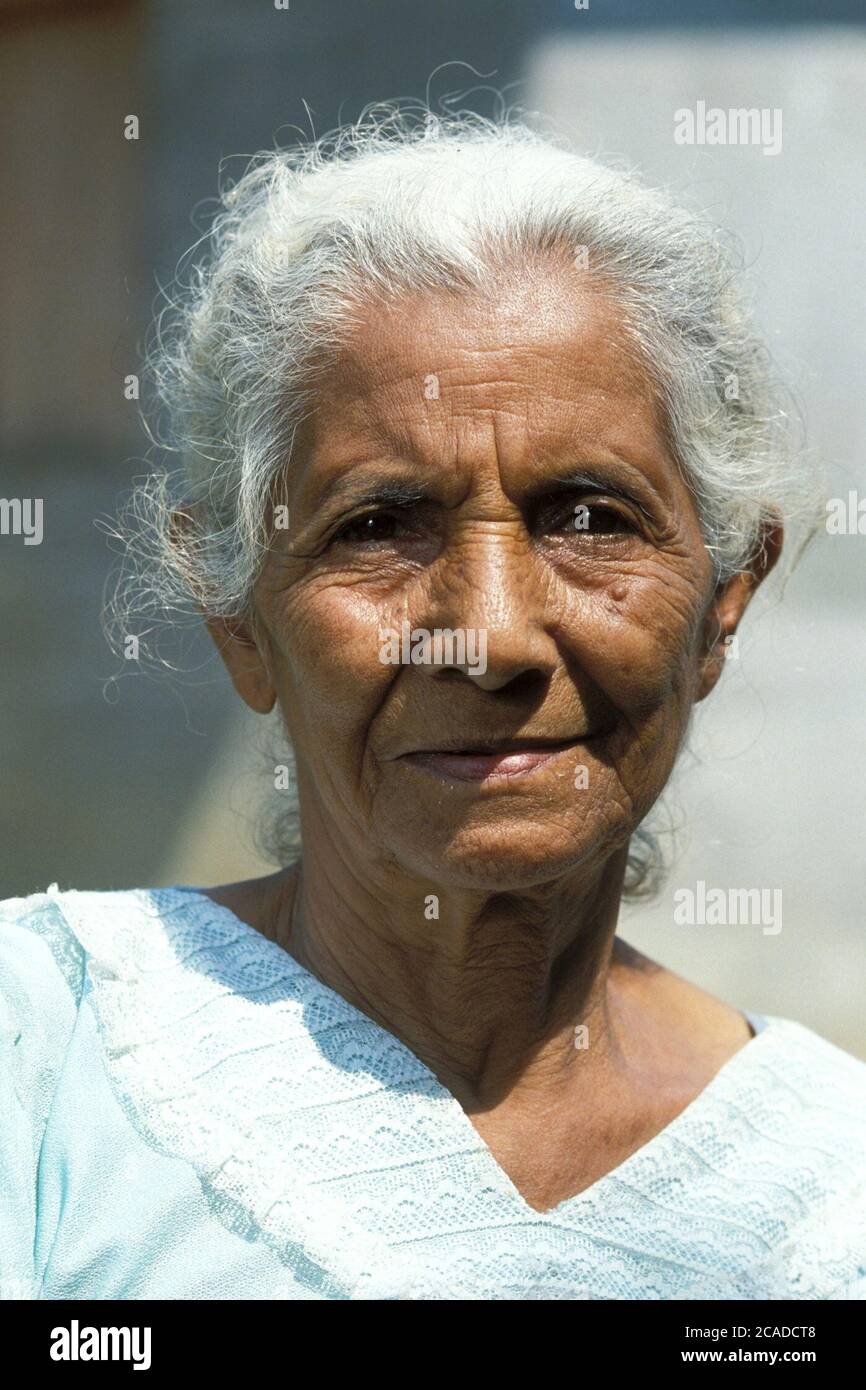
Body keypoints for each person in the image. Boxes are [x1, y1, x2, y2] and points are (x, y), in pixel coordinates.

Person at [2, 111, 864, 1301]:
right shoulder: (45, 1052)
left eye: (588, 517)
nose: (493, 636)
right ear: (237, 614)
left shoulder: (828, 1187)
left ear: (723, 599)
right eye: (377, 525)